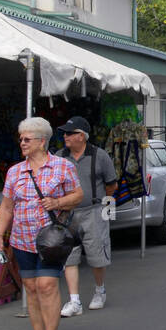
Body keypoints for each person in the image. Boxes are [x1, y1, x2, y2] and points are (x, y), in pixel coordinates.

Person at [0, 117, 82, 330]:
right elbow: (7, 207)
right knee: (31, 287)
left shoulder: (63, 167)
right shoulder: (14, 172)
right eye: (20, 139)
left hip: (51, 240)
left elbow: (78, 196)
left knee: (47, 284)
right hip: (22, 239)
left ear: (42, 142)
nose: (22, 143)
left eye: (27, 139)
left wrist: (58, 202)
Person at [56, 116, 119, 317]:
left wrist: (104, 207)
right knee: (70, 255)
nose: (65, 136)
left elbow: (111, 184)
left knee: (97, 254)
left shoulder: (99, 156)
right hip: (68, 213)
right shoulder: (59, 156)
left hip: (93, 210)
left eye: (70, 133)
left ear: (81, 137)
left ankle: (100, 290)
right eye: (65, 133)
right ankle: (74, 300)